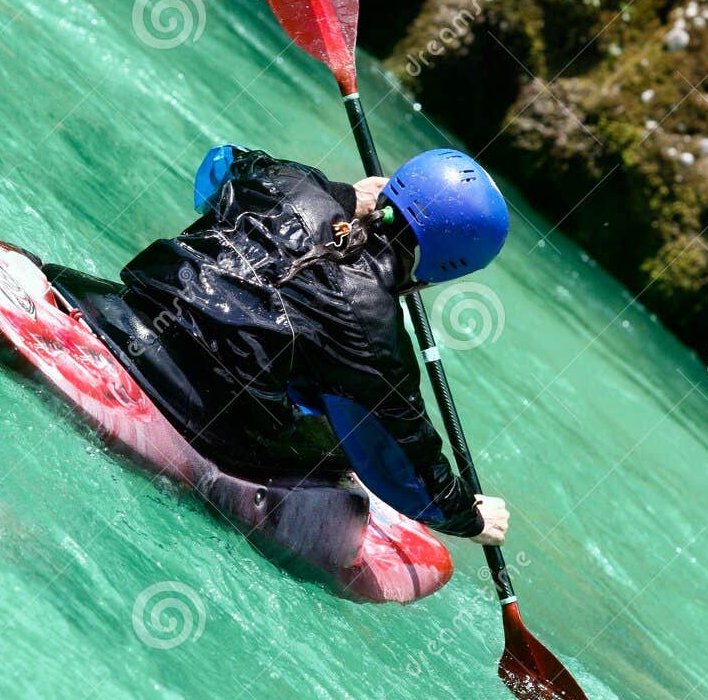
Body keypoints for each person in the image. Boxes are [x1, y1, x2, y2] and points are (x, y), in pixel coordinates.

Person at [111, 144, 510, 546]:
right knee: (339, 439)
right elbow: (407, 468)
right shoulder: (378, 336)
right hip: (191, 404)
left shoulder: (285, 179)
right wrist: (470, 516)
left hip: (120, 316)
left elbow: (217, 168)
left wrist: (341, 195)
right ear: (447, 267)